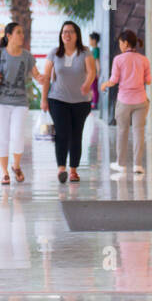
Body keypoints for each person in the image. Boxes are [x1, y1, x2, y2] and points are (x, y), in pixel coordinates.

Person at [0, 22, 42, 186]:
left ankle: (16, 166)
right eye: (18, 33)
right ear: (9, 36)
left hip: (20, 102)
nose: (22, 36)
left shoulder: (27, 56)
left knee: (17, 136)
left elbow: (37, 76)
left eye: (22, 33)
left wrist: (46, 77)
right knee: (3, 138)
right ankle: (4, 173)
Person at [41, 21, 97, 184]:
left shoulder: (85, 52)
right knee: (61, 133)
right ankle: (61, 169)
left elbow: (92, 71)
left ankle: (73, 170)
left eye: (70, 32)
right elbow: (46, 77)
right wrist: (44, 99)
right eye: (64, 32)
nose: (67, 35)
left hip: (81, 102)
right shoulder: (54, 53)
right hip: (58, 99)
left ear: (77, 35)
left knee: (76, 135)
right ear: (61, 35)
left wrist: (87, 84)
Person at [101, 28, 151, 175]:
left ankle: (121, 164)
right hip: (141, 101)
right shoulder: (144, 60)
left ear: (126, 43)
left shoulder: (118, 59)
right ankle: (138, 165)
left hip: (124, 101)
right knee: (139, 132)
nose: (120, 46)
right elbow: (148, 81)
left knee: (122, 132)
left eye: (120, 43)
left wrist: (104, 84)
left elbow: (114, 80)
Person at [89, 30, 101, 111]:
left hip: (94, 73)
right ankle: (92, 102)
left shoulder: (95, 50)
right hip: (91, 73)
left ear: (94, 40)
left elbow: (97, 62)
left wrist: (98, 72)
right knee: (91, 88)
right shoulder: (93, 50)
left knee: (94, 88)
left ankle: (95, 103)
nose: (89, 41)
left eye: (90, 39)